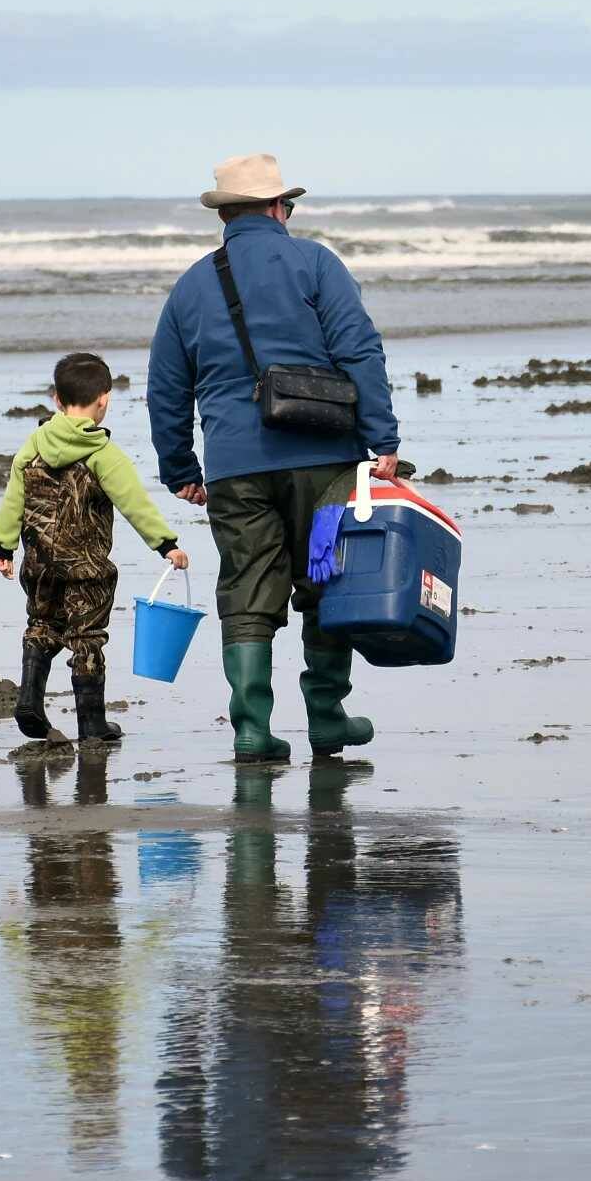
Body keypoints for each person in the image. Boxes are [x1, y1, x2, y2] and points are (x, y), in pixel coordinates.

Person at [148, 153, 401, 763]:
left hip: (236, 467)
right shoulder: (315, 262)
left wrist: (180, 468)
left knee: (246, 589)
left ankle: (252, 730)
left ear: (225, 215)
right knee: (325, 579)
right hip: (326, 460)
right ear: (275, 207)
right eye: (288, 203)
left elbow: (165, 385)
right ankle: (327, 717)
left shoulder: (191, 285)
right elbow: (359, 350)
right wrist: (383, 438)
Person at [0, 352, 188, 743]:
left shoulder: (33, 445)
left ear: (57, 401)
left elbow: (15, 497)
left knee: (42, 625)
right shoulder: (102, 453)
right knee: (87, 637)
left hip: (39, 566)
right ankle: (92, 724)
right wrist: (166, 544)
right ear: (104, 400)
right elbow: (134, 503)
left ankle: (30, 697)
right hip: (87, 569)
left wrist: (3, 547)